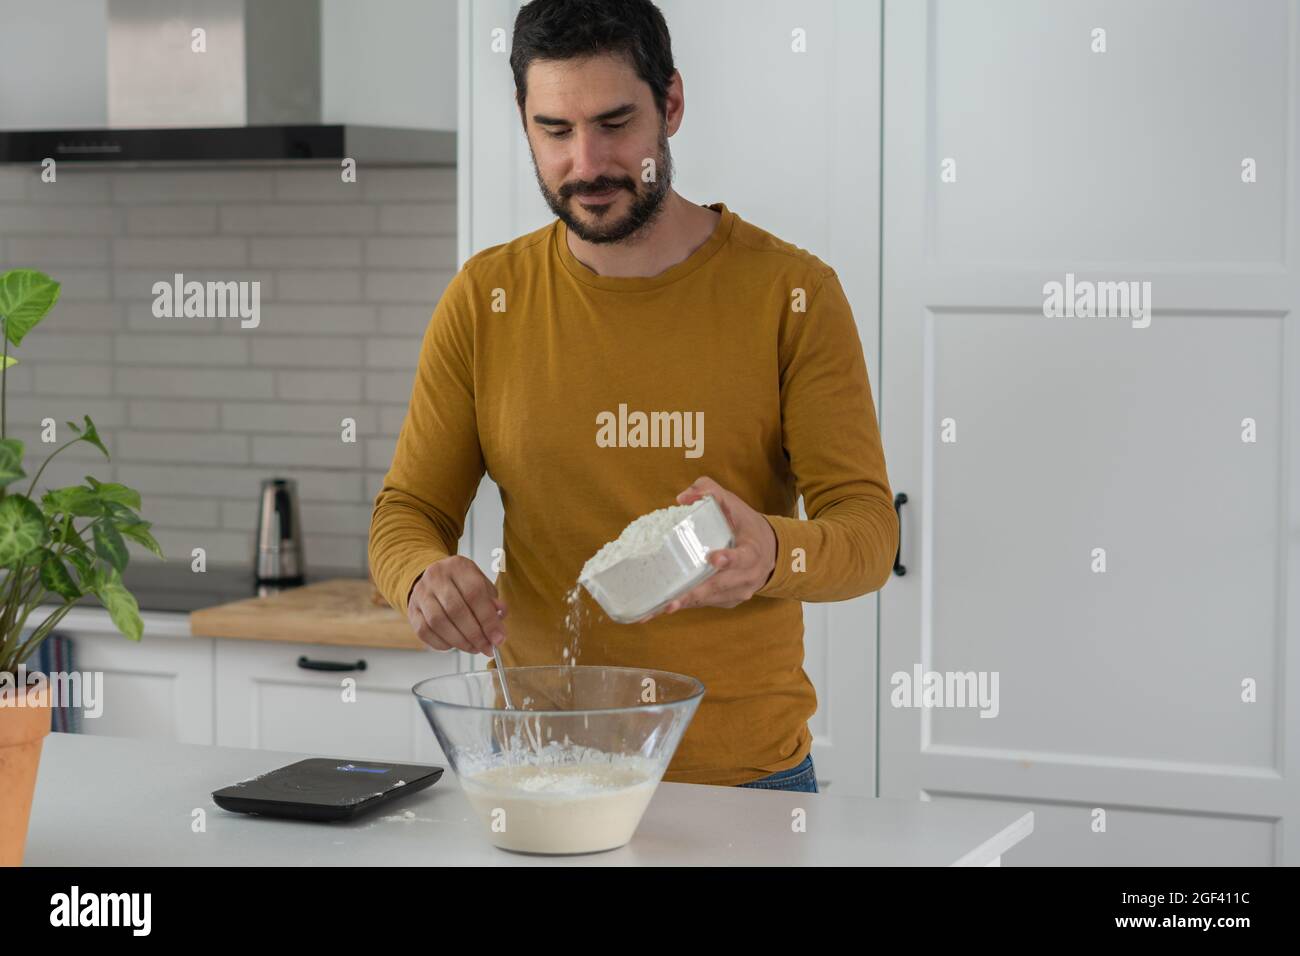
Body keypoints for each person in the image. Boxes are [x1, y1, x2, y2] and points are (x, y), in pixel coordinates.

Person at [368, 0, 898, 792]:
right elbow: (407, 509)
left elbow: (868, 534)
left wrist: (770, 553)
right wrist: (420, 576)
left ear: (671, 105)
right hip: (543, 773)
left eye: (615, 123)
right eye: (554, 129)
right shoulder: (486, 299)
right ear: (523, 121)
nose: (587, 163)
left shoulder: (792, 295)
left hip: (742, 784)